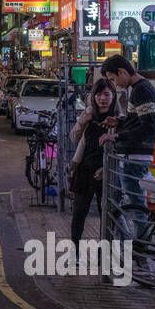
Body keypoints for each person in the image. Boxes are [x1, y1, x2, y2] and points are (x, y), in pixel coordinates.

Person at [101, 55, 155, 239]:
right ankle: (135, 243)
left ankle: (141, 246)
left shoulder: (142, 90)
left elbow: (147, 128)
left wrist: (118, 135)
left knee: (136, 204)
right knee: (123, 202)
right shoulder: (138, 89)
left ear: (123, 72)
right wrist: (119, 122)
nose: (115, 84)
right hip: (131, 155)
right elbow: (137, 122)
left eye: (113, 78)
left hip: (136, 157)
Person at [69, 78, 115, 249]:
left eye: (106, 94)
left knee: (107, 215)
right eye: (98, 94)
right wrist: (83, 121)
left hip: (107, 173)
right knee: (79, 213)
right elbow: (73, 138)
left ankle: (104, 253)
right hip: (85, 170)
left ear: (112, 96)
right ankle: (75, 252)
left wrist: (106, 168)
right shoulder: (88, 113)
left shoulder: (118, 118)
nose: (102, 98)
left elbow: (119, 148)